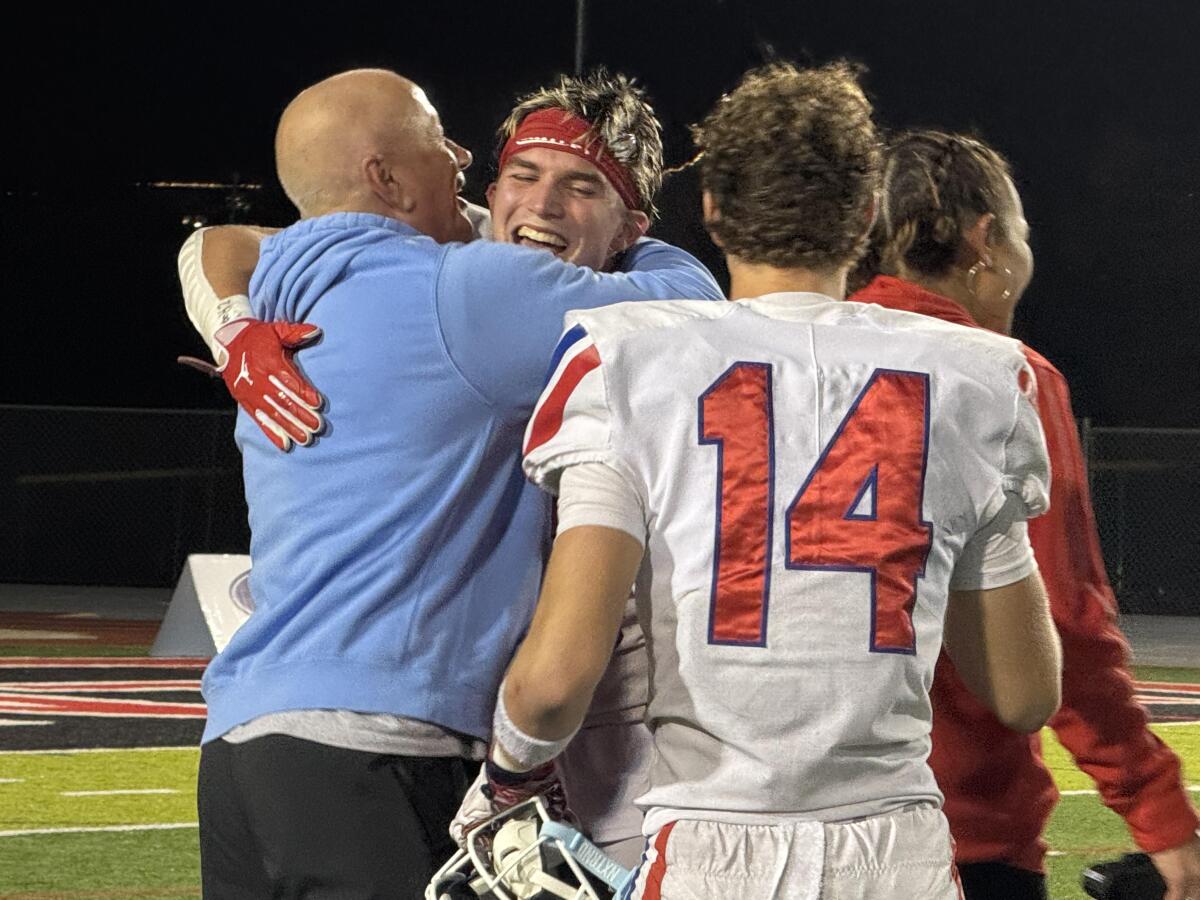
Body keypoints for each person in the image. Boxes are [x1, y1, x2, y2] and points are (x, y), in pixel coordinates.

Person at [477, 61, 1063, 900]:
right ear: (865, 216)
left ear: (712, 207)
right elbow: (1023, 690)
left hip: (709, 846)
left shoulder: (628, 353)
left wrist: (507, 780)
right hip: (898, 854)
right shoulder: (975, 375)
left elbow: (552, 684)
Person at [182, 68, 721, 899]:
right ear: (387, 177)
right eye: (446, 146)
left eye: (579, 185)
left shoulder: (290, 273)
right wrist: (622, 233)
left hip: (241, 745)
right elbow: (698, 304)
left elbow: (219, 242)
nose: (463, 155)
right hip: (377, 746)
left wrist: (228, 322)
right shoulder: (469, 294)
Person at [849, 128, 1200, 900]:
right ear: (985, 239)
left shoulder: (799, 354)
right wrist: (1158, 811)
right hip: (959, 832)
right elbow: (1064, 626)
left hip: (784, 824)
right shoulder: (1003, 379)